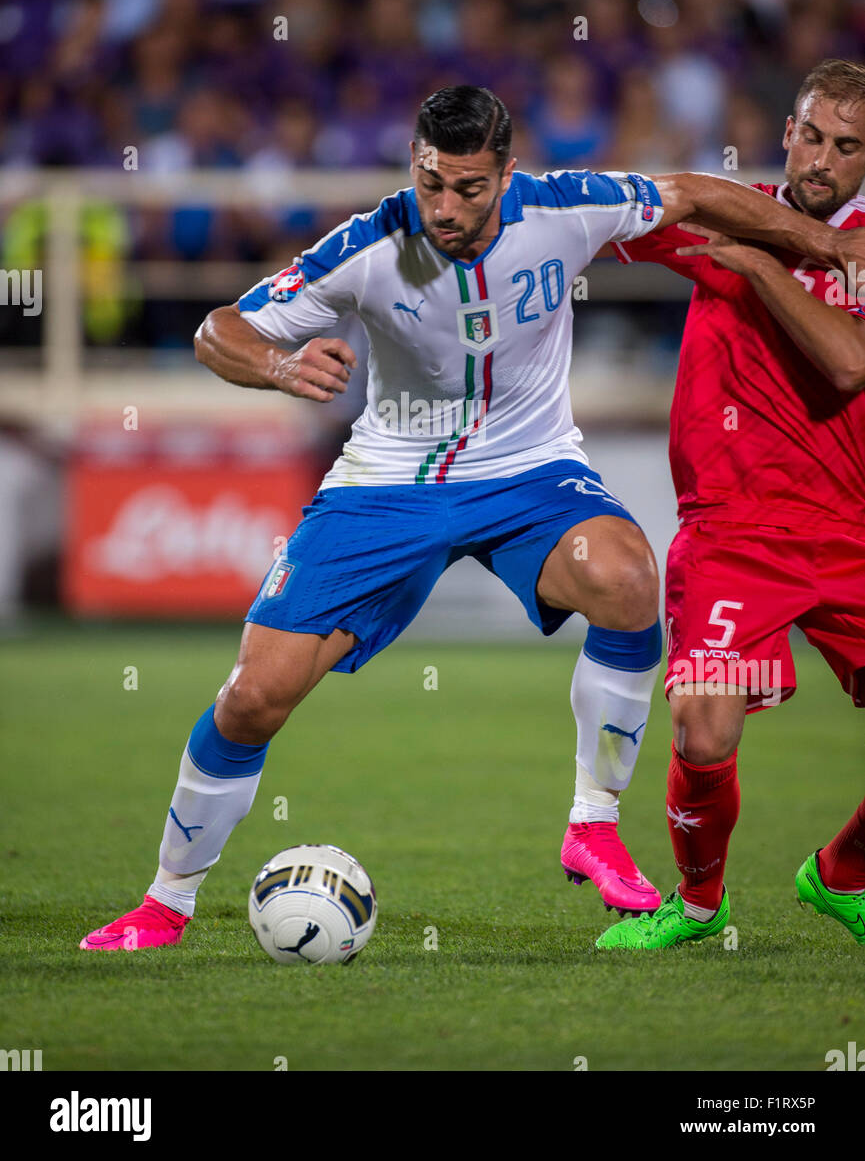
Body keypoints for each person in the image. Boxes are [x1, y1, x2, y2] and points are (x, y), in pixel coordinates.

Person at [79, 85, 865, 952]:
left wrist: (825, 245)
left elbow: (690, 190)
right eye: (430, 184)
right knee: (254, 697)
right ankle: (166, 901)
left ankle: (592, 822)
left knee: (627, 576)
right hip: (386, 484)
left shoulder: (566, 207)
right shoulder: (370, 245)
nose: (445, 209)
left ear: (507, 176)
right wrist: (276, 363)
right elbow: (215, 329)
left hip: (530, 474)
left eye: (468, 188)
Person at [597, 58, 865, 951]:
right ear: (787, 131)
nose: (822, 159)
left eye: (848, 146)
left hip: (850, 530)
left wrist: (757, 267)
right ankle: (698, 902)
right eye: (812, 135)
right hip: (732, 529)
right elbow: (608, 217)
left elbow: (847, 362)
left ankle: (841, 874)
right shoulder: (723, 213)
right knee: (704, 723)